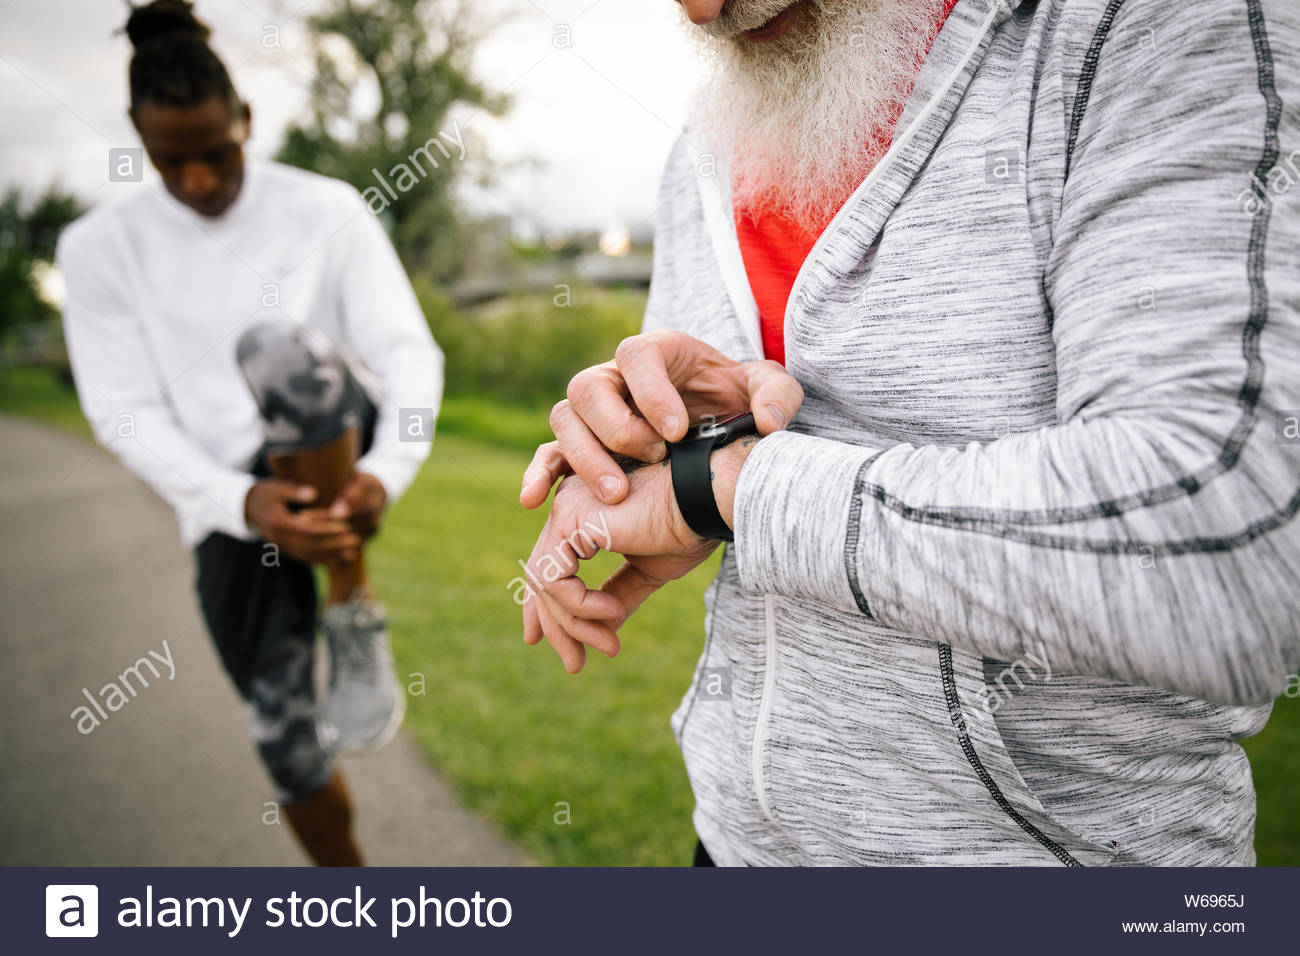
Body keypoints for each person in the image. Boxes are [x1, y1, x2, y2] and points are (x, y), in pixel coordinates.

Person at [519, 0, 1300, 865]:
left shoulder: (1164, 27)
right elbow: (722, 476)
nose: (701, 10)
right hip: (733, 848)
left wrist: (739, 487)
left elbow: (1232, 547)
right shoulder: (702, 141)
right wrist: (661, 457)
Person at [56, 0, 443, 866]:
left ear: (248, 122)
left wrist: (389, 470)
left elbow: (405, 352)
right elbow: (122, 412)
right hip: (230, 502)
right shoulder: (97, 249)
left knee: (279, 347)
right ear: (136, 137)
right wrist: (242, 502)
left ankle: (351, 601)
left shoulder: (323, 208)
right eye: (170, 162)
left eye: (217, 154)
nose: (197, 181)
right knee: (286, 742)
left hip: (338, 436)